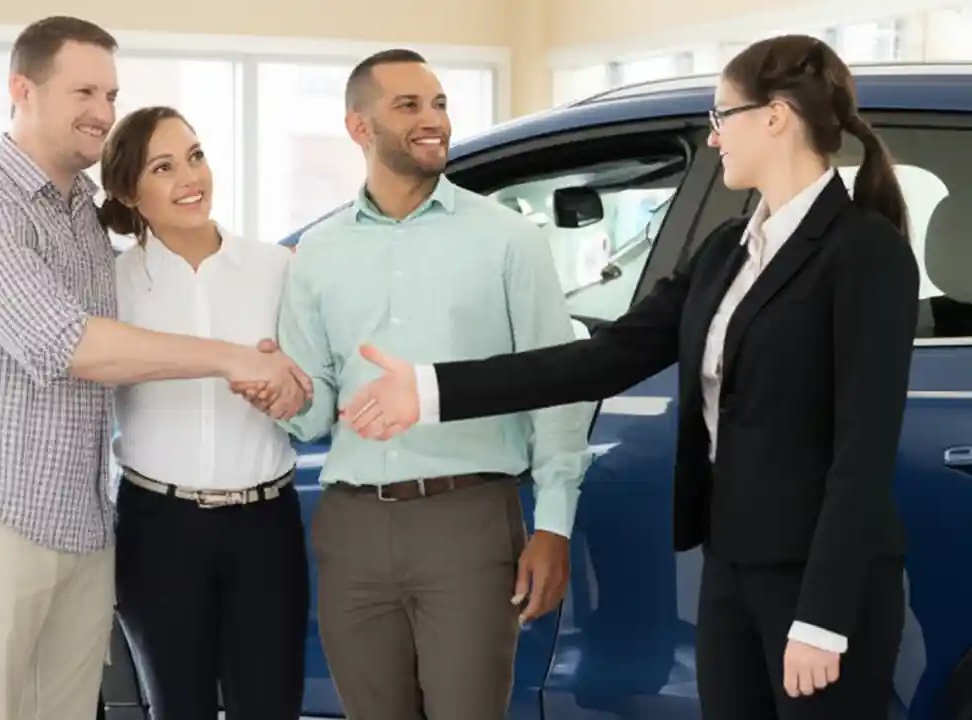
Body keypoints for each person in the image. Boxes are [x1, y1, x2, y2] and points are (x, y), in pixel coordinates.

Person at [342, 34, 915, 720]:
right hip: (731, 569)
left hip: (821, 588)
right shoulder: (727, 250)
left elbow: (863, 454)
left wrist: (823, 618)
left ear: (775, 116)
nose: (713, 141)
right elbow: (604, 359)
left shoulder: (864, 253)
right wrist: (431, 390)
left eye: (720, 118)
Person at [0, 17, 310, 720]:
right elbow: (70, 346)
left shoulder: (82, 221)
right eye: (83, 90)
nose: (102, 111)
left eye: (111, 93)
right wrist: (231, 359)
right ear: (20, 90)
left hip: (83, 528)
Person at [238, 48, 593, 720]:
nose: (433, 121)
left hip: (469, 521)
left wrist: (553, 526)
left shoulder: (508, 240)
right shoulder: (318, 253)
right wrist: (281, 394)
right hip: (353, 527)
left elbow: (557, 383)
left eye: (439, 105)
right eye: (409, 106)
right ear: (358, 127)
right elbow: (313, 412)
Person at [97, 106, 308, 720]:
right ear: (128, 191)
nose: (191, 177)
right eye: (163, 167)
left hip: (265, 526)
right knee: (176, 708)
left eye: (195, 155)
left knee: (269, 707)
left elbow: (313, 389)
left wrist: (293, 396)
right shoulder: (112, 286)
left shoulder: (277, 269)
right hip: (158, 528)